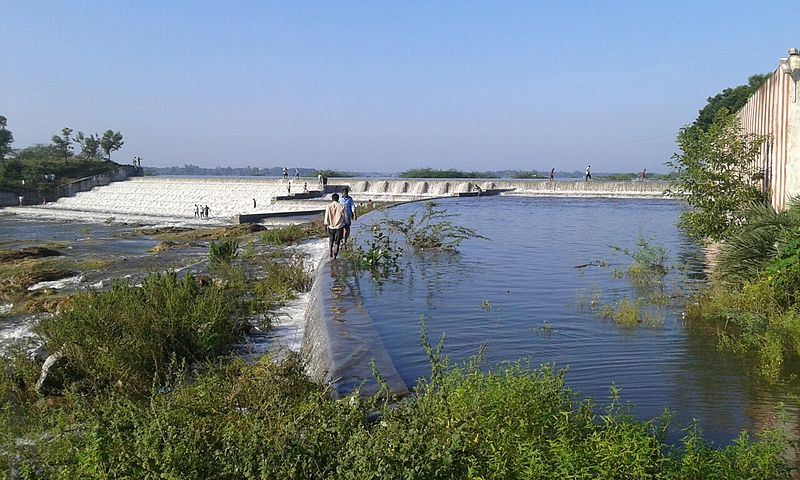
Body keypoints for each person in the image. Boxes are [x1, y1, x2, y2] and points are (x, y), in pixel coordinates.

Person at [324, 193, 345, 259]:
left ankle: (330, 251)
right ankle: (335, 256)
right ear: (338, 199)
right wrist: (345, 223)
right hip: (339, 227)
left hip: (330, 226)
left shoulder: (328, 206)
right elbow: (345, 217)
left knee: (331, 240)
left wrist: (325, 225)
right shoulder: (341, 206)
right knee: (337, 242)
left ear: (332, 199)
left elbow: (326, 216)